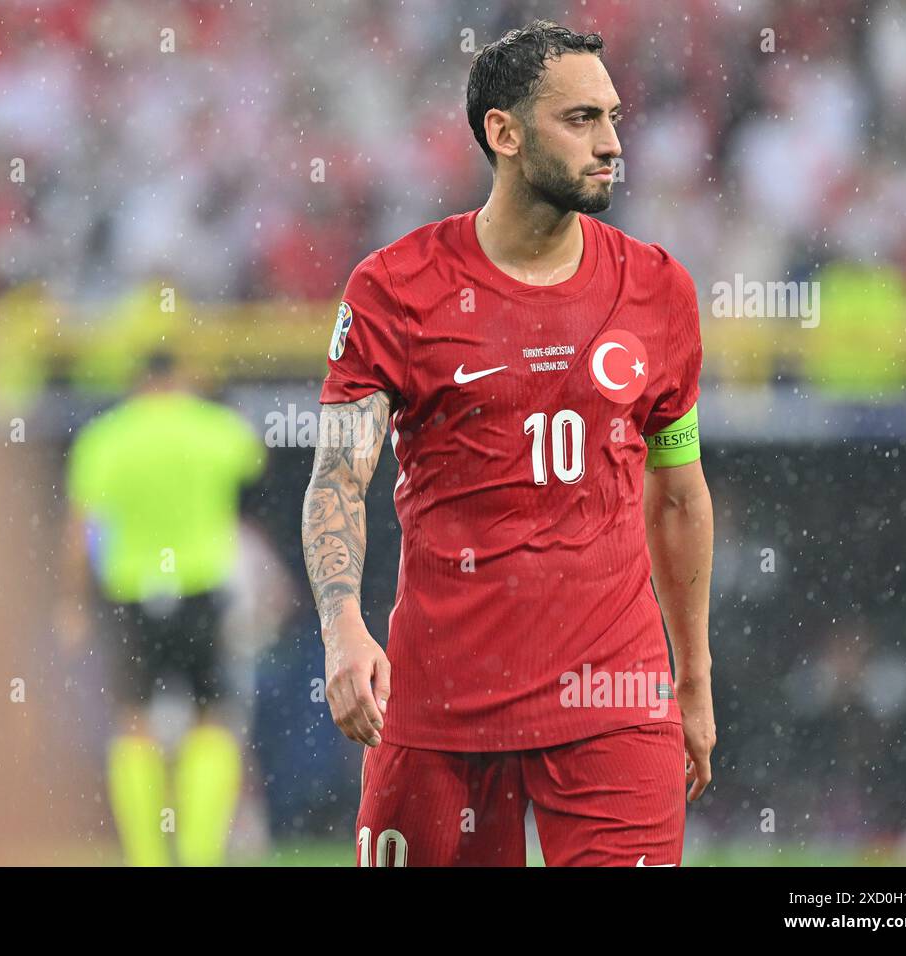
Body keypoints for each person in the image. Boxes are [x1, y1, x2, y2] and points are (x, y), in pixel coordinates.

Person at [301, 19, 716, 867]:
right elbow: (338, 479)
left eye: (614, 117)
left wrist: (693, 679)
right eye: (582, 120)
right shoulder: (393, 289)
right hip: (440, 700)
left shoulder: (659, 289)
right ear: (504, 133)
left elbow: (677, 494)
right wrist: (342, 625)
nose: (612, 143)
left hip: (616, 697)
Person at [61, 350, 265, 866]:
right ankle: (199, 853)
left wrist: (72, 601)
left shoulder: (106, 437)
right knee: (212, 719)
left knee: (133, 723)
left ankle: (146, 856)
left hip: (130, 596)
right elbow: (252, 470)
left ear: (137, 383)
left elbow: (81, 529)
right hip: (200, 590)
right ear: (180, 380)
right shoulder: (215, 428)